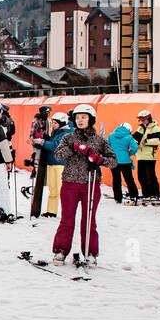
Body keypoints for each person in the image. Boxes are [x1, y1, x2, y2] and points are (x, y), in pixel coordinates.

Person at [50, 103, 116, 267]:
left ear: (90, 119)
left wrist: (99, 160)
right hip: (70, 182)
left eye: (83, 117)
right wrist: (72, 148)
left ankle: (90, 252)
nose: (80, 121)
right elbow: (58, 156)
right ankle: (60, 250)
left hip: (90, 183)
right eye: (77, 118)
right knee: (67, 219)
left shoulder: (99, 140)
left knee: (89, 220)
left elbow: (113, 161)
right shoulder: (68, 137)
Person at [37, 111, 69, 218]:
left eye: (55, 123)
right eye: (53, 123)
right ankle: (51, 211)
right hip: (52, 163)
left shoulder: (65, 134)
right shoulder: (55, 133)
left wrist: (42, 142)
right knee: (52, 188)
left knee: (60, 189)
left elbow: (55, 146)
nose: (54, 125)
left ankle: (67, 211)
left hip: (60, 164)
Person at [132, 110, 160, 203]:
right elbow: (134, 138)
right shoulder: (140, 129)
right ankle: (146, 194)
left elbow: (159, 140)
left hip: (149, 156)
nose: (142, 121)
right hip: (140, 155)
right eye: (141, 119)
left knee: (150, 175)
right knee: (141, 176)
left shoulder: (156, 128)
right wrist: (135, 142)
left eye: (143, 119)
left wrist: (147, 142)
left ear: (148, 118)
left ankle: (155, 194)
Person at [108, 121, 139, 205]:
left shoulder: (111, 136)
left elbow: (107, 147)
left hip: (114, 161)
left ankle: (118, 198)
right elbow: (135, 147)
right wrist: (129, 153)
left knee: (116, 179)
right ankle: (134, 196)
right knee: (129, 179)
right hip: (125, 161)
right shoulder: (129, 137)